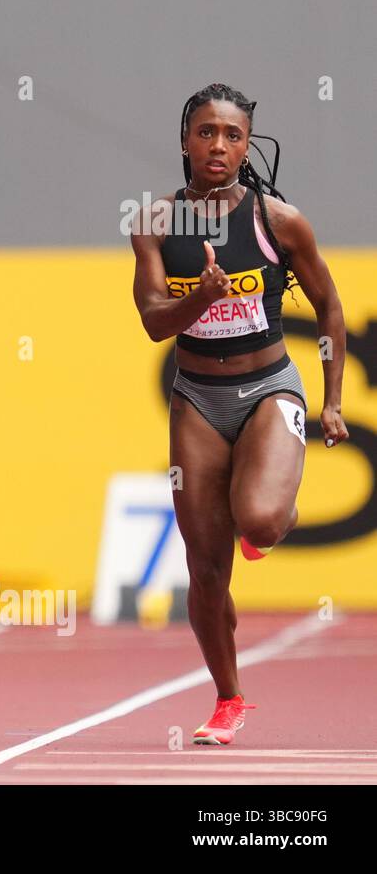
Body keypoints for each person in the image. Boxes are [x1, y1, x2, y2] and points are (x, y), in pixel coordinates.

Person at [130, 83, 348, 745]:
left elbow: (330, 309)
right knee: (205, 566)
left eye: (232, 134)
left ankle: (271, 513)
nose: (218, 145)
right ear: (184, 141)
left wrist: (332, 399)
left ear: (247, 145)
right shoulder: (155, 222)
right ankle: (228, 699)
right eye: (206, 132)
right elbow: (151, 322)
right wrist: (203, 300)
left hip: (270, 389)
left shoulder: (280, 221)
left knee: (259, 518)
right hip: (197, 399)